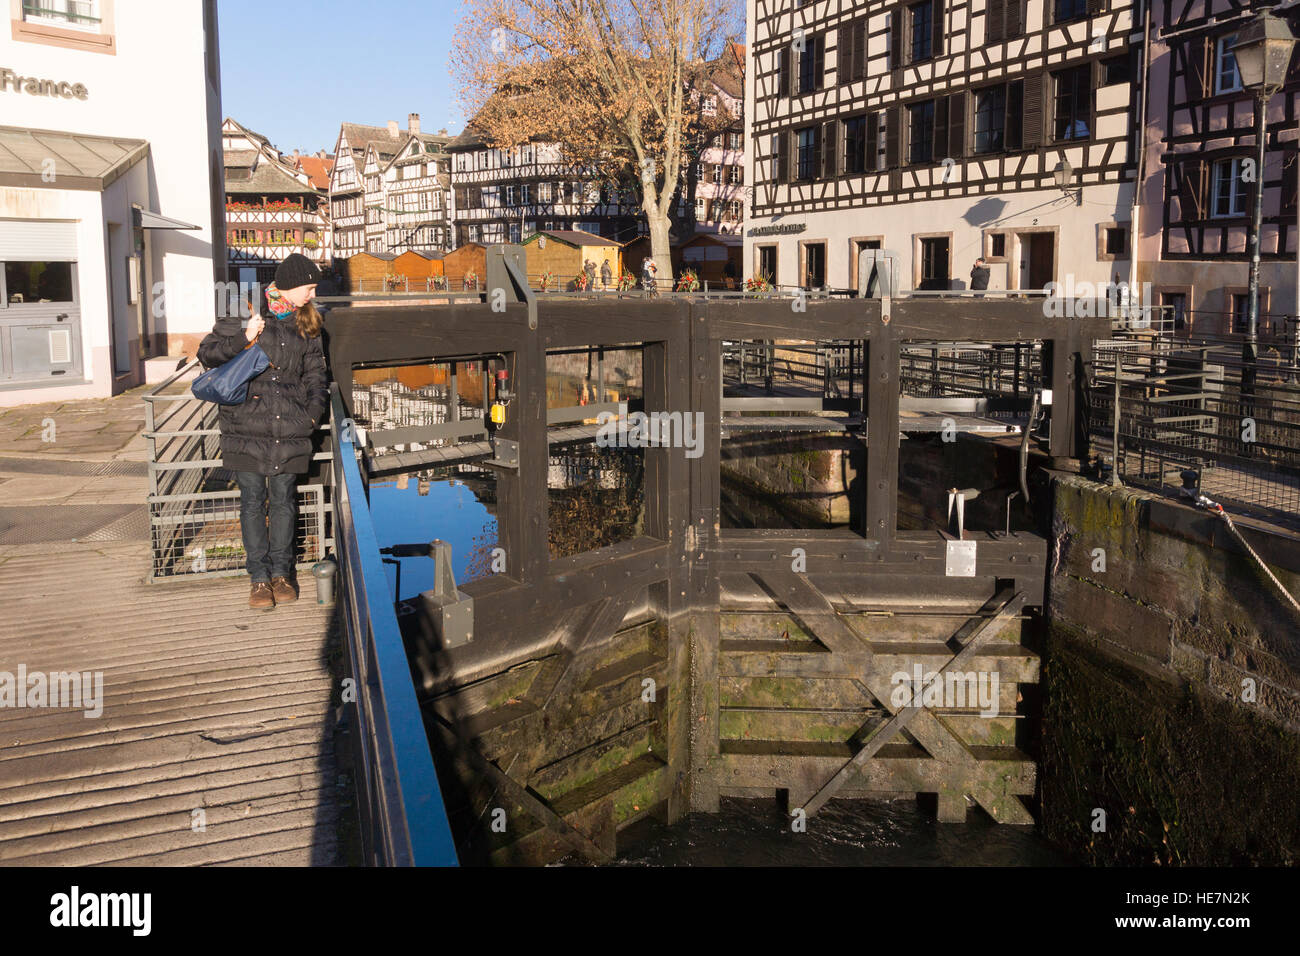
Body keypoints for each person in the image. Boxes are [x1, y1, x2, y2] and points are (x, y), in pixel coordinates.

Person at [198, 254, 329, 610]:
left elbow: (317, 376)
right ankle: (258, 578)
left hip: (290, 428)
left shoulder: (309, 322)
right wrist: (244, 337)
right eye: (309, 286)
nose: (312, 293)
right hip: (246, 426)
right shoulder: (245, 310)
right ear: (289, 283)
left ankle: (281, 574)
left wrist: (311, 418)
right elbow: (207, 355)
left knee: (285, 501)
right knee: (253, 501)